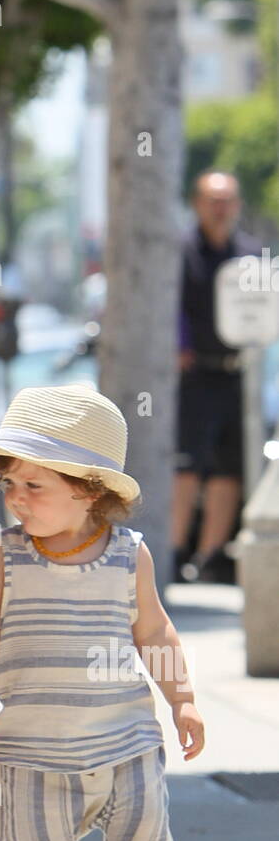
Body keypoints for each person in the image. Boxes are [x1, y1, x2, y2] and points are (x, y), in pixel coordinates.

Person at [0, 384, 205, 841]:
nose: (17, 499)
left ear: (88, 490)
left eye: (33, 486)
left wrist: (184, 700)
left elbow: (156, 633)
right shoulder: (4, 553)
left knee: (144, 835)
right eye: (9, 484)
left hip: (126, 738)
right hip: (31, 747)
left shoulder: (128, 554)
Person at [172, 170, 262, 584]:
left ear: (237, 204)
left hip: (237, 376)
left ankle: (208, 557)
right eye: (213, 199)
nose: (220, 207)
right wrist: (178, 345)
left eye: (227, 199)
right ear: (197, 203)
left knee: (230, 471)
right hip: (194, 376)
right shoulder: (181, 251)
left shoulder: (249, 254)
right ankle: (172, 555)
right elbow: (172, 307)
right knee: (187, 467)